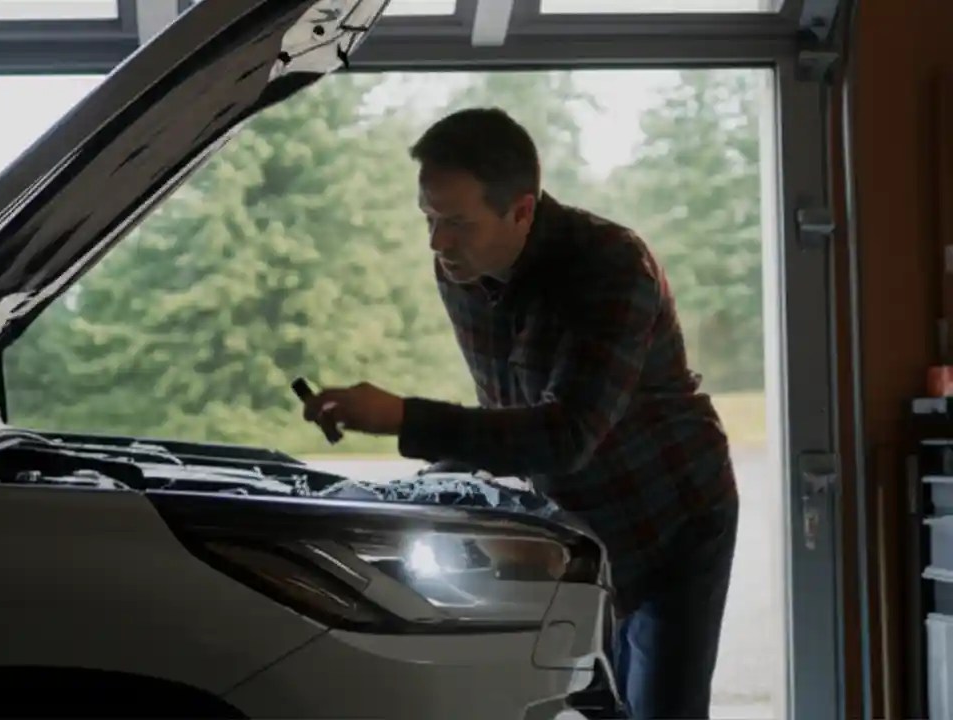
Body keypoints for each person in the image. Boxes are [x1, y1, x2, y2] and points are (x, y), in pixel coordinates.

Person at [298, 107, 739, 720]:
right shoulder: (460, 269)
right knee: (585, 702)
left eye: (456, 222)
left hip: (671, 517)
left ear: (522, 210)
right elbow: (508, 410)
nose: (437, 242)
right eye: (428, 218)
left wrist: (403, 417)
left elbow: (565, 434)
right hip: (578, 531)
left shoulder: (611, 266)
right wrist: (429, 478)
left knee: (662, 709)